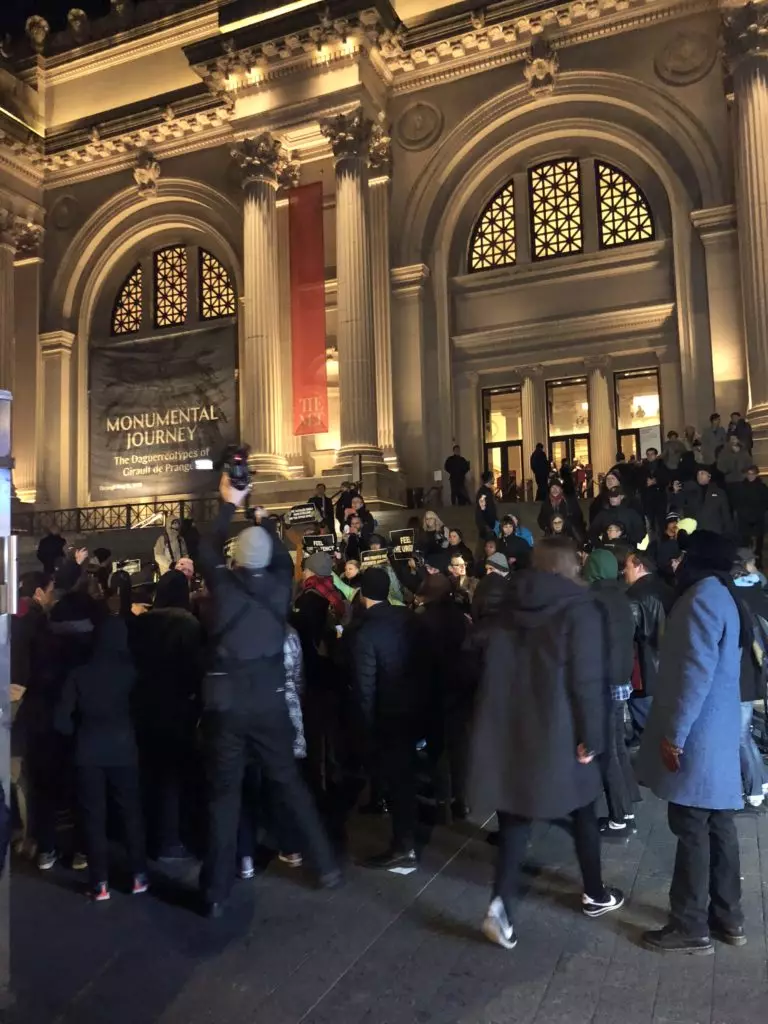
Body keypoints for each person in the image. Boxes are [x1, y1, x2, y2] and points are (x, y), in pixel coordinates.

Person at [469, 538, 624, 950]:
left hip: (512, 730)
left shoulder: (508, 605)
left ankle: (500, 905)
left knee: (516, 819)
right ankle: (595, 892)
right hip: (561, 733)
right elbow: (587, 682)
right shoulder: (580, 610)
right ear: (571, 566)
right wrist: (591, 737)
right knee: (585, 811)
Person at [197, 476, 339, 917]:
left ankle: (216, 891)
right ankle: (326, 865)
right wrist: (263, 519)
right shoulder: (281, 590)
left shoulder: (220, 591)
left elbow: (205, 549)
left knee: (224, 798)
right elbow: (281, 559)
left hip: (227, 705)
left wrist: (229, 504)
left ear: (234, 560)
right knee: (289, 785)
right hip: (270, 702)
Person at [636, 531, 747, 954]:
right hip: (716, 733)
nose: (677, 563)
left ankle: (690, 924)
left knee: (692, 827)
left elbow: (693, 674)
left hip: (697, 734)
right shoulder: (724, 595)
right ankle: (728, 917)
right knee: (718, 825)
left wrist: (674, 737)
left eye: (683, 556)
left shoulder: (701, 599)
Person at [55, 616, 148, 902]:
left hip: (88, 751)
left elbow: (61, 720)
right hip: (123, 750)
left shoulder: (79, 674)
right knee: (131, 813)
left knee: (93, 817)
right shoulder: (132, 672)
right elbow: (142, 711)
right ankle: (138, 876)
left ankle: (100, 883)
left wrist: (76, 732)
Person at [351, 568, 425, 869]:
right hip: (413, 709)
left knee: (398, 781)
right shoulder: (408, 618)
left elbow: (365, 687)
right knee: (406, 777)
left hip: (388, 716)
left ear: (364, 595)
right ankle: (407, 838)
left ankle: (403, 846)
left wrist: (365, 728)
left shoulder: (365, 632)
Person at [131, 569, 203, 859]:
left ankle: (148, 836)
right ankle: (171, 839)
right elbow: (196, 669)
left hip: (144, 706)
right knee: (174, 775)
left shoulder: (142, 623)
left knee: (149, 772)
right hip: (177, 708)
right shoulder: (188, 624)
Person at [583, 550, 640, 838]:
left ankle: (620, 817)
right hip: (621, 680)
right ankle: (627, 807)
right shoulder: (621, 596)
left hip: (603, 683)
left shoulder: (592, 600)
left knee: (608, 753)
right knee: (617, 746)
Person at [416, 573, 473, 820]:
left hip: (434, 690)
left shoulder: (423, 620)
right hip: (459, 689)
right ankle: (462, 800)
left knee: (438, 749)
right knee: (459, 747)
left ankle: (442, 803)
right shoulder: (460, 618)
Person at [624, 552, 676, 745]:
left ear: (639, 567)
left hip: (645, 671)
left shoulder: (633, 596)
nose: (624, 571)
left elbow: (628, 635)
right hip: (670, 666)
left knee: (647, 725)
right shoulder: (669, 590)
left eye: (627, 567)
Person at [731, 555, 768, 808]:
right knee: (744, 735)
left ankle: (754, 790)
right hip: (753, 678)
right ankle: (762, 780)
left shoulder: (737, 605)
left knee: (740, 736)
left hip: (742, 680)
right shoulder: (758, 597)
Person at [679, 467, 733, 536]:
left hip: (714, 532)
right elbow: (682, 507)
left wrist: (729, 533)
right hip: (696, 532)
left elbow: (726, 514)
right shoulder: (690, 491)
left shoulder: (719, 492)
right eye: (698, 474)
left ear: (709, 476)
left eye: (702, 473)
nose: (699, 476)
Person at [732, 465, 768, 565]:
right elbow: (737, 503)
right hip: (744, 520)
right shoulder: (740, 487)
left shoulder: (762, 487)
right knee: (745, 544)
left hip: (758, 519)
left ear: (756, 474)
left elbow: (765, 504)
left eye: (753, 474)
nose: (751, 476)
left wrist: (757, 516)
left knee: (758, 544)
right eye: (749, 474)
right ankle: (746, 562)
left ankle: (758, 562)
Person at [638, 448, 668, 538]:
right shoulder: (643, 467)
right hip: (647, 498)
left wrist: (656, 481)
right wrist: (646, 483)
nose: (650, 456)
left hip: (660, 498)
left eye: (652, 454)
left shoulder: (662, 466)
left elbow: (666, 479)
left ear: (656, 455)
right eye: (648, 454)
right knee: (650, 524)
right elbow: (638, 480)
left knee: (661, 522)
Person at [475, 471, 498, 538]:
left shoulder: (487, 491)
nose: (494, 479)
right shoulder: (484, 492)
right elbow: (482, 509)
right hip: (486, 524)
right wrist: (487, 524)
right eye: (493, 477)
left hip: (489, 523)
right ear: (489, 479)